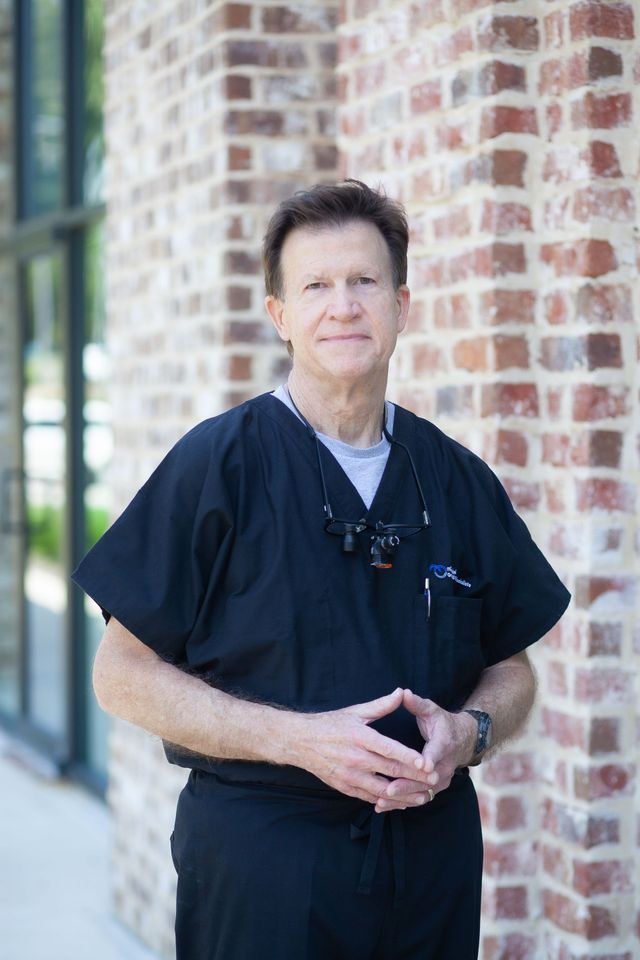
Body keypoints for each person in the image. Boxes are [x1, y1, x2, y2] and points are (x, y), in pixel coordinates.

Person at [73, 180, 570, 960]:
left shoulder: (457, 479)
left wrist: (468, 732)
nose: (343, 306)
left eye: (364, 281)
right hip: (264, 866)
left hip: (430, 864)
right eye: (316, 286)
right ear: (280, 315)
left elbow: (513, 669)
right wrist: (297, 740)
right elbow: (120, 674)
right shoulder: (218, 465)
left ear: (401, 306)